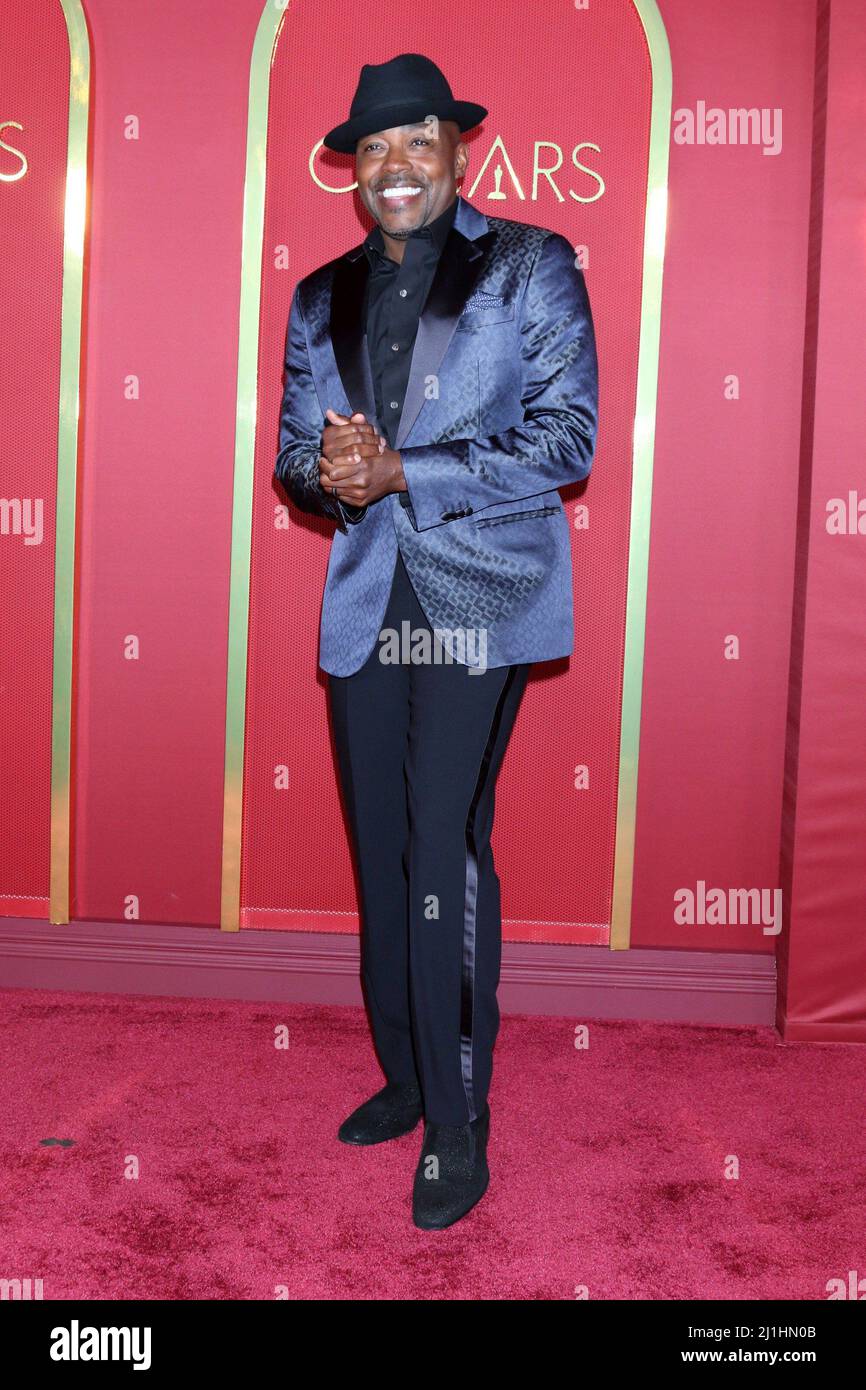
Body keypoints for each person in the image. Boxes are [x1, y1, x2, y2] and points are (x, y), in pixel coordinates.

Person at [275, 52, 598, 1229]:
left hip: (480, 595)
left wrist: (406, 468)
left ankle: (458, 1120)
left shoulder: (528, 264)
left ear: (458, 151)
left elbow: (567, 437)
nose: (395, 163)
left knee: (442, 847)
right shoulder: (318, 296)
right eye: (373, 147)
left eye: (417, 139)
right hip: (369, 595)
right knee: (381, 845)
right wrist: (331, 472)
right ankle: (408, 1073)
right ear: (353, 172)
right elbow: (292, 459)